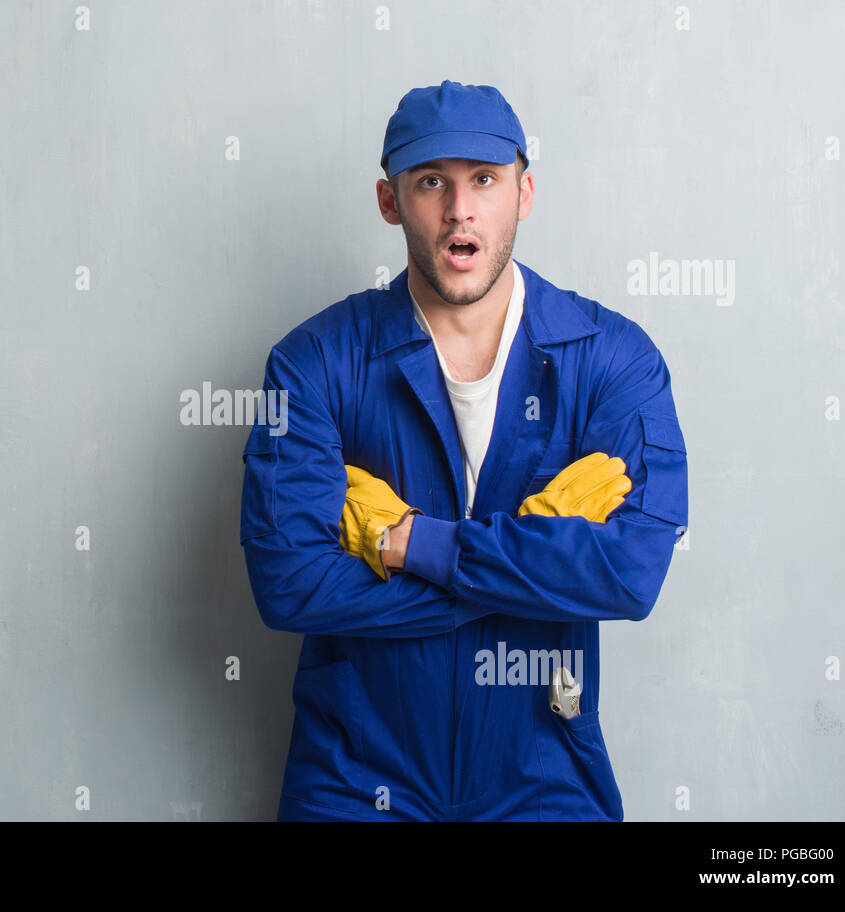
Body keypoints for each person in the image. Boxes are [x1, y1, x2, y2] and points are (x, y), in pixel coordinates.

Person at [238, 80, 688, 821]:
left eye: (484, 179)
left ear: (524, 193)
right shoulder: (314, 363)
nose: (459, 209)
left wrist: (411, 543)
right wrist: (534, 559)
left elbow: (631, 576)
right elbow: (291, 583)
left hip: (543, 775)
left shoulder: (612, 360)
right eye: (429, 182)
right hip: (355, 777)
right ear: (390, 201)